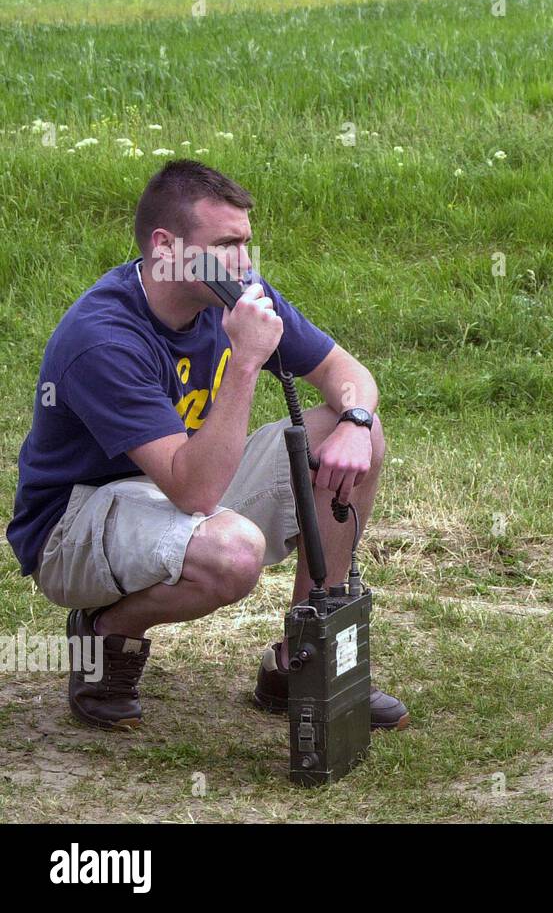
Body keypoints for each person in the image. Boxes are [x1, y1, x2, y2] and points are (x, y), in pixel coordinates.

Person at [6, 159, 409, 730]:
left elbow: (346, 372)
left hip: (174, 483)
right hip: (74, 527)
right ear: (167, 246)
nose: (246, 263)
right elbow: (195, 491)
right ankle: (105, 634)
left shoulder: (235, 290)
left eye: (246, 242)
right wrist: (246, 361)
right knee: (232, 553)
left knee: (345, 435)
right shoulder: (102, 338)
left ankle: (302, 662)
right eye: (227, 245)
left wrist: (358, 419)